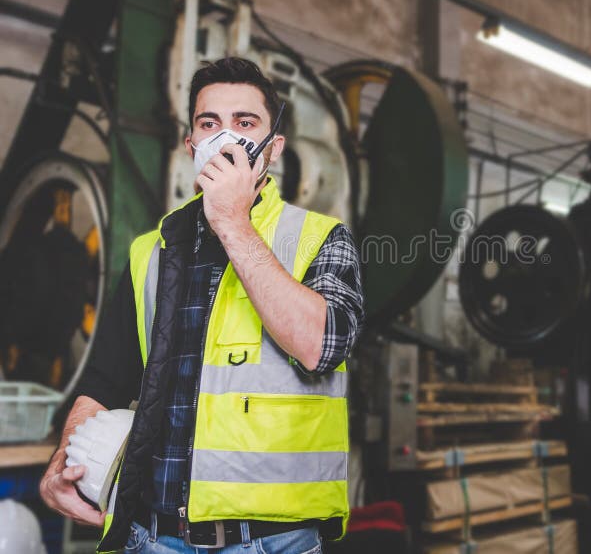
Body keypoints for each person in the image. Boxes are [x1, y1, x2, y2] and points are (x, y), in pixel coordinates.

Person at [40, 57, 364, 553]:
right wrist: (64, 460)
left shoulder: (320, 240)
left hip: (271, 543)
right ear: (191, 144)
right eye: (209, 124)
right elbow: (105, 379)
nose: (224, 138)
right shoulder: (151, 251)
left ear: (273, 149)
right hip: (153, 537)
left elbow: (322, 345)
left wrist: (233, 220)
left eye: (245, 123)